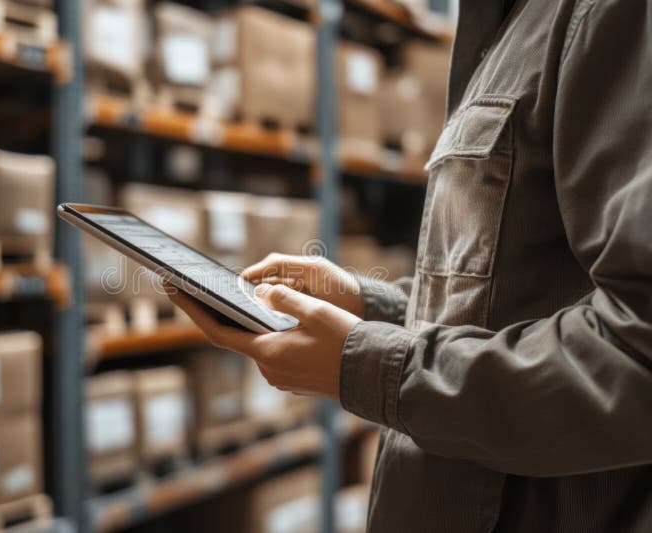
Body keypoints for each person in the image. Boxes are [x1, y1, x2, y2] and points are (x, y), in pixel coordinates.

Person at [168, 0, 652, 531]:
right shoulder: (508, 26)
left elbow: (637, 351)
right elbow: (516, 295)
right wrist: (366, 304)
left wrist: (368, 366)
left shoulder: (607, 15)